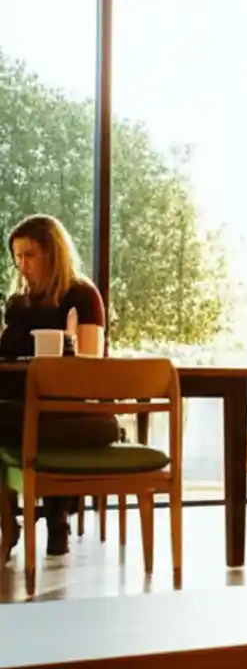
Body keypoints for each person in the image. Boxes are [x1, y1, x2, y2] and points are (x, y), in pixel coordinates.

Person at [0, 214, 117, 556]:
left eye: (30, 255)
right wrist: (14, 322)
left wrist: (64, 348)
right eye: (17, 257)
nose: (22, 266)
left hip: (83, 418)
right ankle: (34, 518)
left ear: (53, 253)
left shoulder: (81, 295)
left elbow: (91, 365)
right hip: (30, 412)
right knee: (20, 420)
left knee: (23, 422)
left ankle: (44, 517)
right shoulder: (22, 304)